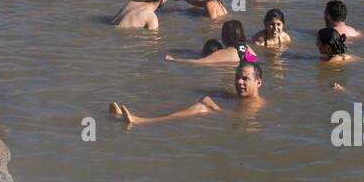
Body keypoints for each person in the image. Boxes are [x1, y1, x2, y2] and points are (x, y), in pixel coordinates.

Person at [110, 60, 264, 125]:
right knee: (202, 104)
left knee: (202, 107)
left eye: (245, 79)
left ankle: (141, 121)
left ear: (258, 82)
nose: (239, 82)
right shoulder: (236, 97)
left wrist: (214, 107)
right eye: (237, 77)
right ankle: (128, 118)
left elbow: (241, 119)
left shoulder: (255, 104)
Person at [165, 18, 258, 64]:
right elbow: (255, 60)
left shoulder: (225, 53)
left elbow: (200, 62)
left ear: (224, 36)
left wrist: (174, 60)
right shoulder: (246, 48)